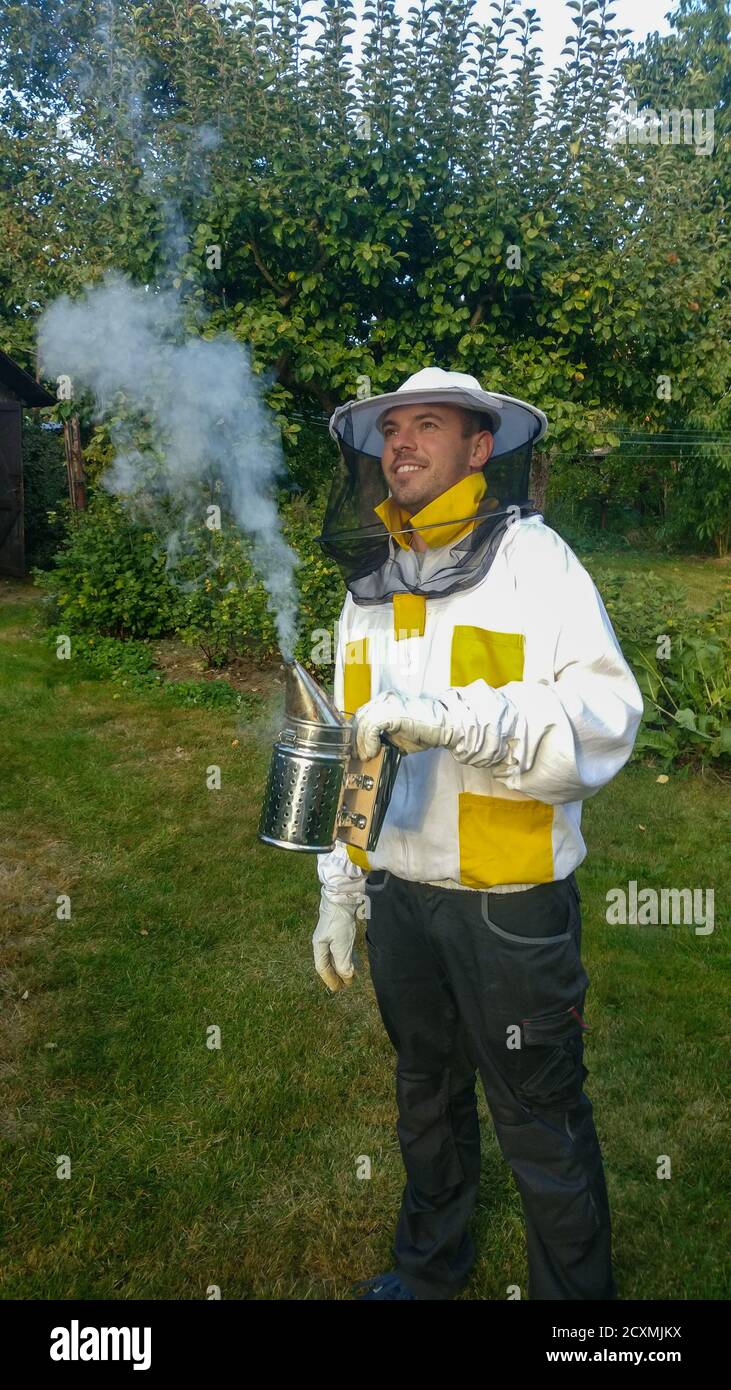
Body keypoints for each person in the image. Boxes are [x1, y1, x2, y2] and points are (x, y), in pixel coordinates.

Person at [311, 368, 643, 1301]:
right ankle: (427, 1270)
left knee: (538, 1115)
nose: (402, 445)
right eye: (390, 431)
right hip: (400, 899)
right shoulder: (370, 581)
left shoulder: (536, 563)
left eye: (427, 426)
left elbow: (605, 716)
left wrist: (461, 720)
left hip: (509, 907)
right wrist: (341, 890)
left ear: (479, 448)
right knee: (424, 1095)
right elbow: (357, 749)